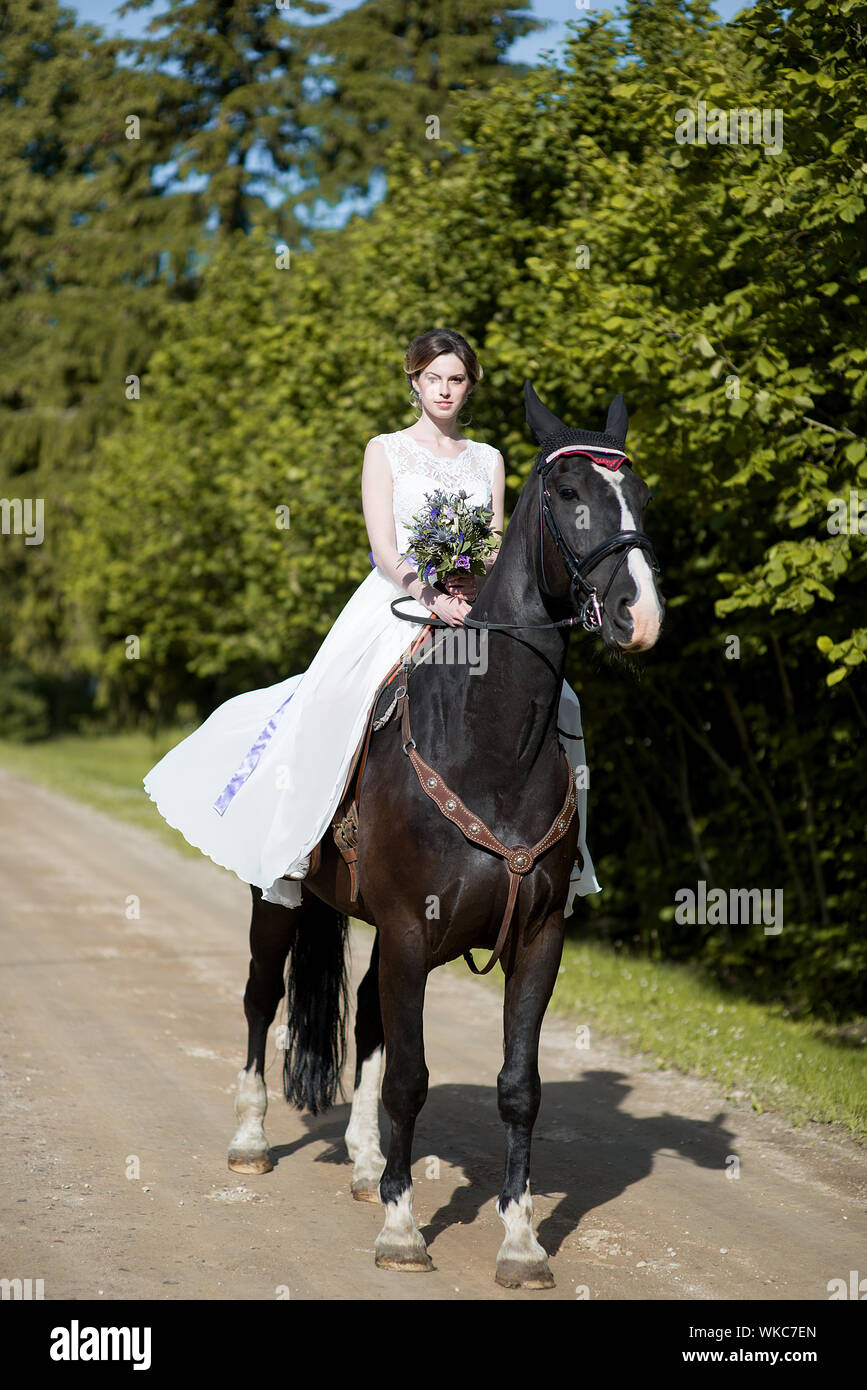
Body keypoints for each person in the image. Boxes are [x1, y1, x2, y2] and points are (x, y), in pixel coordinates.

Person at [143, 328, 600, 911]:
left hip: (472, 609)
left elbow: (492, 546)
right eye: (432, 378)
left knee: (564, 704)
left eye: (456, 379)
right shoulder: (384, 450)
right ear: (414, 382)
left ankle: (571, 857)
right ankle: (303, 842)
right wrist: (429, 594)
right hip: (397, 603)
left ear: (470, 387)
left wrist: (473, 583)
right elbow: (384, 548)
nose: (444, 390)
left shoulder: (488, 459)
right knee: (332, 699)